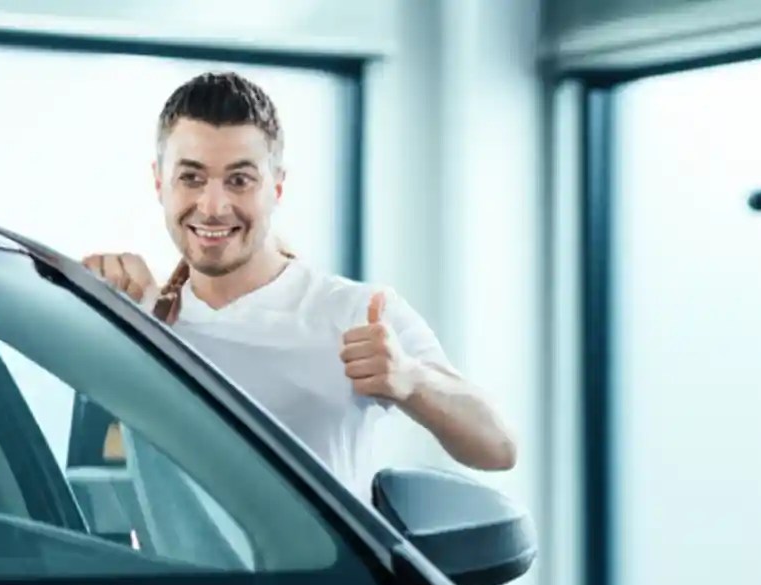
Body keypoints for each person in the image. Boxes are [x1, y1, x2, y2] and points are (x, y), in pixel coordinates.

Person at [83, 71, 516, 499]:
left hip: (320, 574)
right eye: (191, 178)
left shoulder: (356, 313)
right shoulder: (138, 317)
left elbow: (498, 447)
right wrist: (93, 304)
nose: (213, 206)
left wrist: (411, 379)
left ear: (277, 186)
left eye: (239, 180)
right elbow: (92, 478)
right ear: (160, 183)